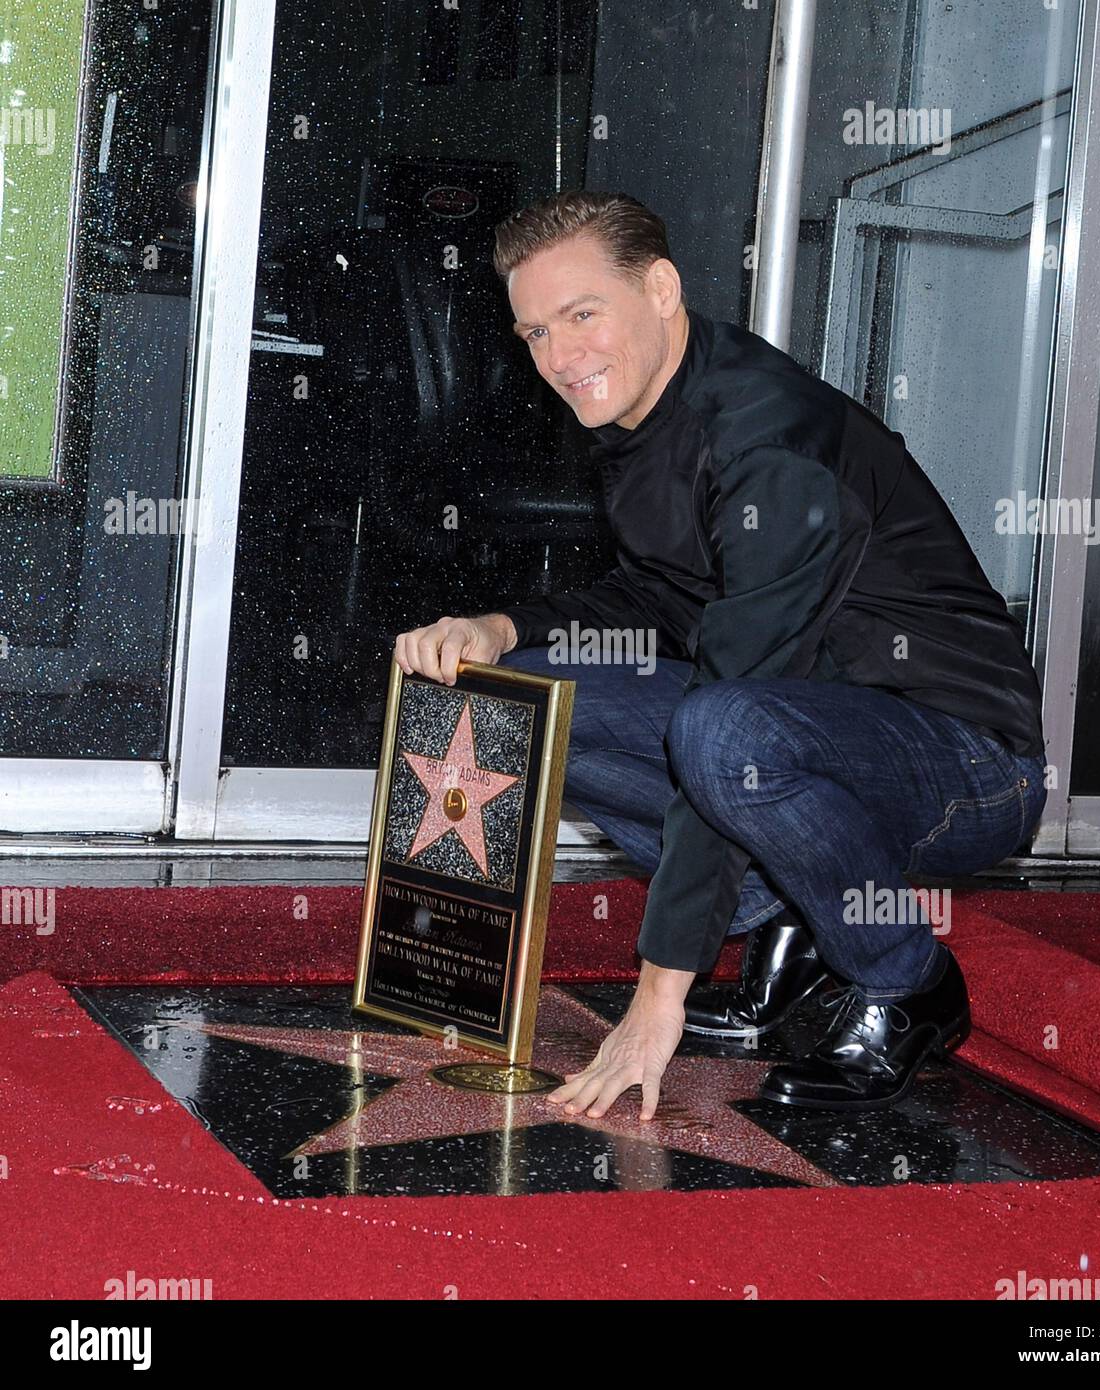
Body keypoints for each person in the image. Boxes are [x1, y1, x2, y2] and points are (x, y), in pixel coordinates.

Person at [393, 189, 1048, 1122]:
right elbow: (658, 598)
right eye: (534, 332)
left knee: (723, 728)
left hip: (965, 761)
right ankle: (784, 909)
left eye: (582, 315)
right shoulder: (646, 412)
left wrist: (657, 995)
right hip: (804, 725)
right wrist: (506, 625)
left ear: (659, 289)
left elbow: (738, 690)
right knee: (512, 698)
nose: (560, 357)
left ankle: (906, 980)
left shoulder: (769, 442)